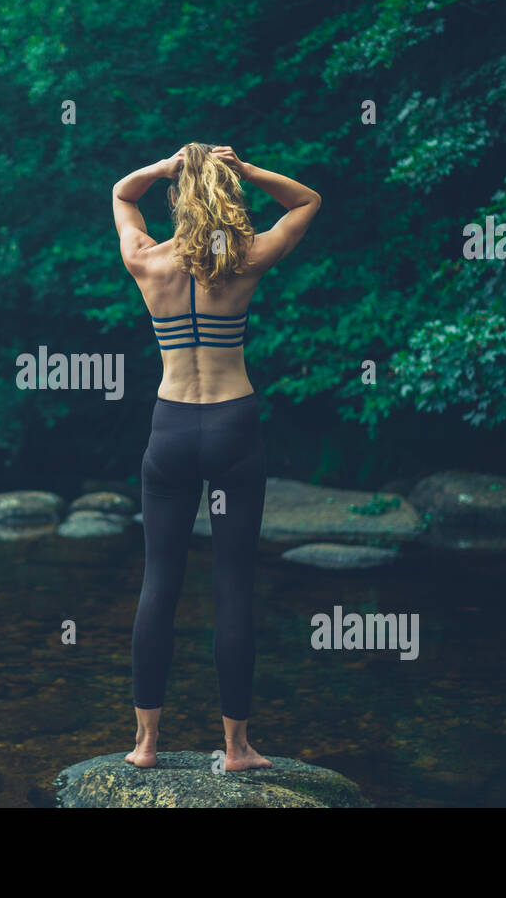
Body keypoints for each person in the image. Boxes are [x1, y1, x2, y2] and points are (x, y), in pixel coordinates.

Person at [111, 142, 321, 769]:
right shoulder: (245, 257)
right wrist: (251, 169)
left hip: (171, 426)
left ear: (178, 197)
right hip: (233, 423)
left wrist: (162, 168)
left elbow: (122, 195)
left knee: (160, 584)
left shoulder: (149, 261)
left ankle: (145, 746)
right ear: (227, 191)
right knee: (233, 588)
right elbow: (307, 200)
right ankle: (236, 748)